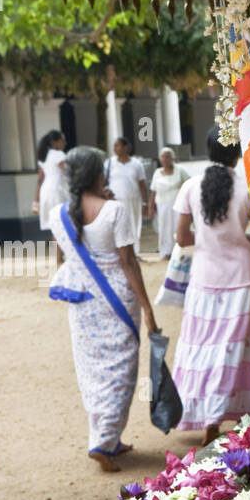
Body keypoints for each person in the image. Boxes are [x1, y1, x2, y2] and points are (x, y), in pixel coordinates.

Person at [47, 146, 159, 472]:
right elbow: (128, 262)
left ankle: (106, 435)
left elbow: (66, 255)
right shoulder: (115, 211)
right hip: (117, 300)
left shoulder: (58, 214)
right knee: (121, 372)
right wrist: (147, 308)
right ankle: (104, 441)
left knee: (93, 371)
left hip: (82, 302)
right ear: (99, 174)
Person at [171, 129, 250, 445]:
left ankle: (203, 413)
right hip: (240, 276)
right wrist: (239, 238)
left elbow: (181, 237)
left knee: (200, 346)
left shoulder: (189, 186)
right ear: (238, 154)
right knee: (235, 347)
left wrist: (210, 238)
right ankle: (226, 413)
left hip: (204, 277)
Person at [104, 136, 148, 245]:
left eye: (117, 145)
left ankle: (134, 252)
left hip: (134, 200)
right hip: (115, 200)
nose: (114, 148)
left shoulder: (136, 164)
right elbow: (103, 182)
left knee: (134, 224)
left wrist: (145, 202)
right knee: (119, 225)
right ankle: (121, 250)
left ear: (125, 147)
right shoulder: (109, 163)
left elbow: (142, 184)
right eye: (114, 146)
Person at [147, 147, 189, 259]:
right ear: (160, 159)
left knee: (177, 227)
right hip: (162, 206)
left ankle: (179, 251)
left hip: (177, 205)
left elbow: (188, 183)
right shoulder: (157, 173)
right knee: (164, 229)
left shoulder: (179, 170)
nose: (165, 159)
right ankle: (166, 252)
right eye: (163, 156)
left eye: (167, 156)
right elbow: (153, 191)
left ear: (172, 158)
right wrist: (150, 207)